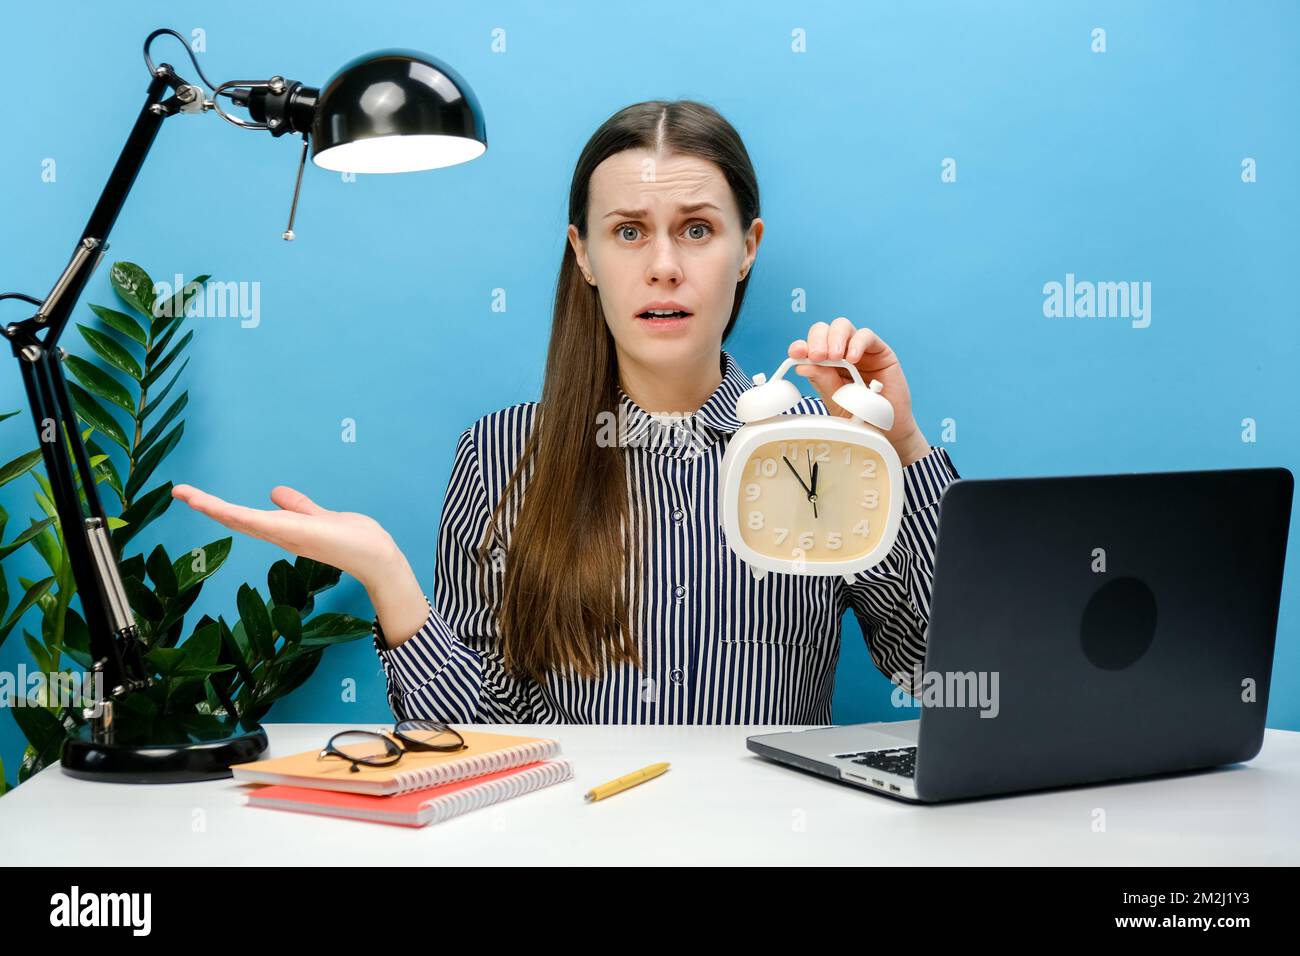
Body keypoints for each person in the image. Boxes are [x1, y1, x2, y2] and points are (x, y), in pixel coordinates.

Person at [172, 99, 960, 725]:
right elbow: (477, 739)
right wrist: (388, 577)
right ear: (583, 254)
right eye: (627, 232)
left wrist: (907, 447)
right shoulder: (502, 455)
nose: (662, 266)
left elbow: (945, 675)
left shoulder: (829, 454)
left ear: (747, 247)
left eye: (696, 230)